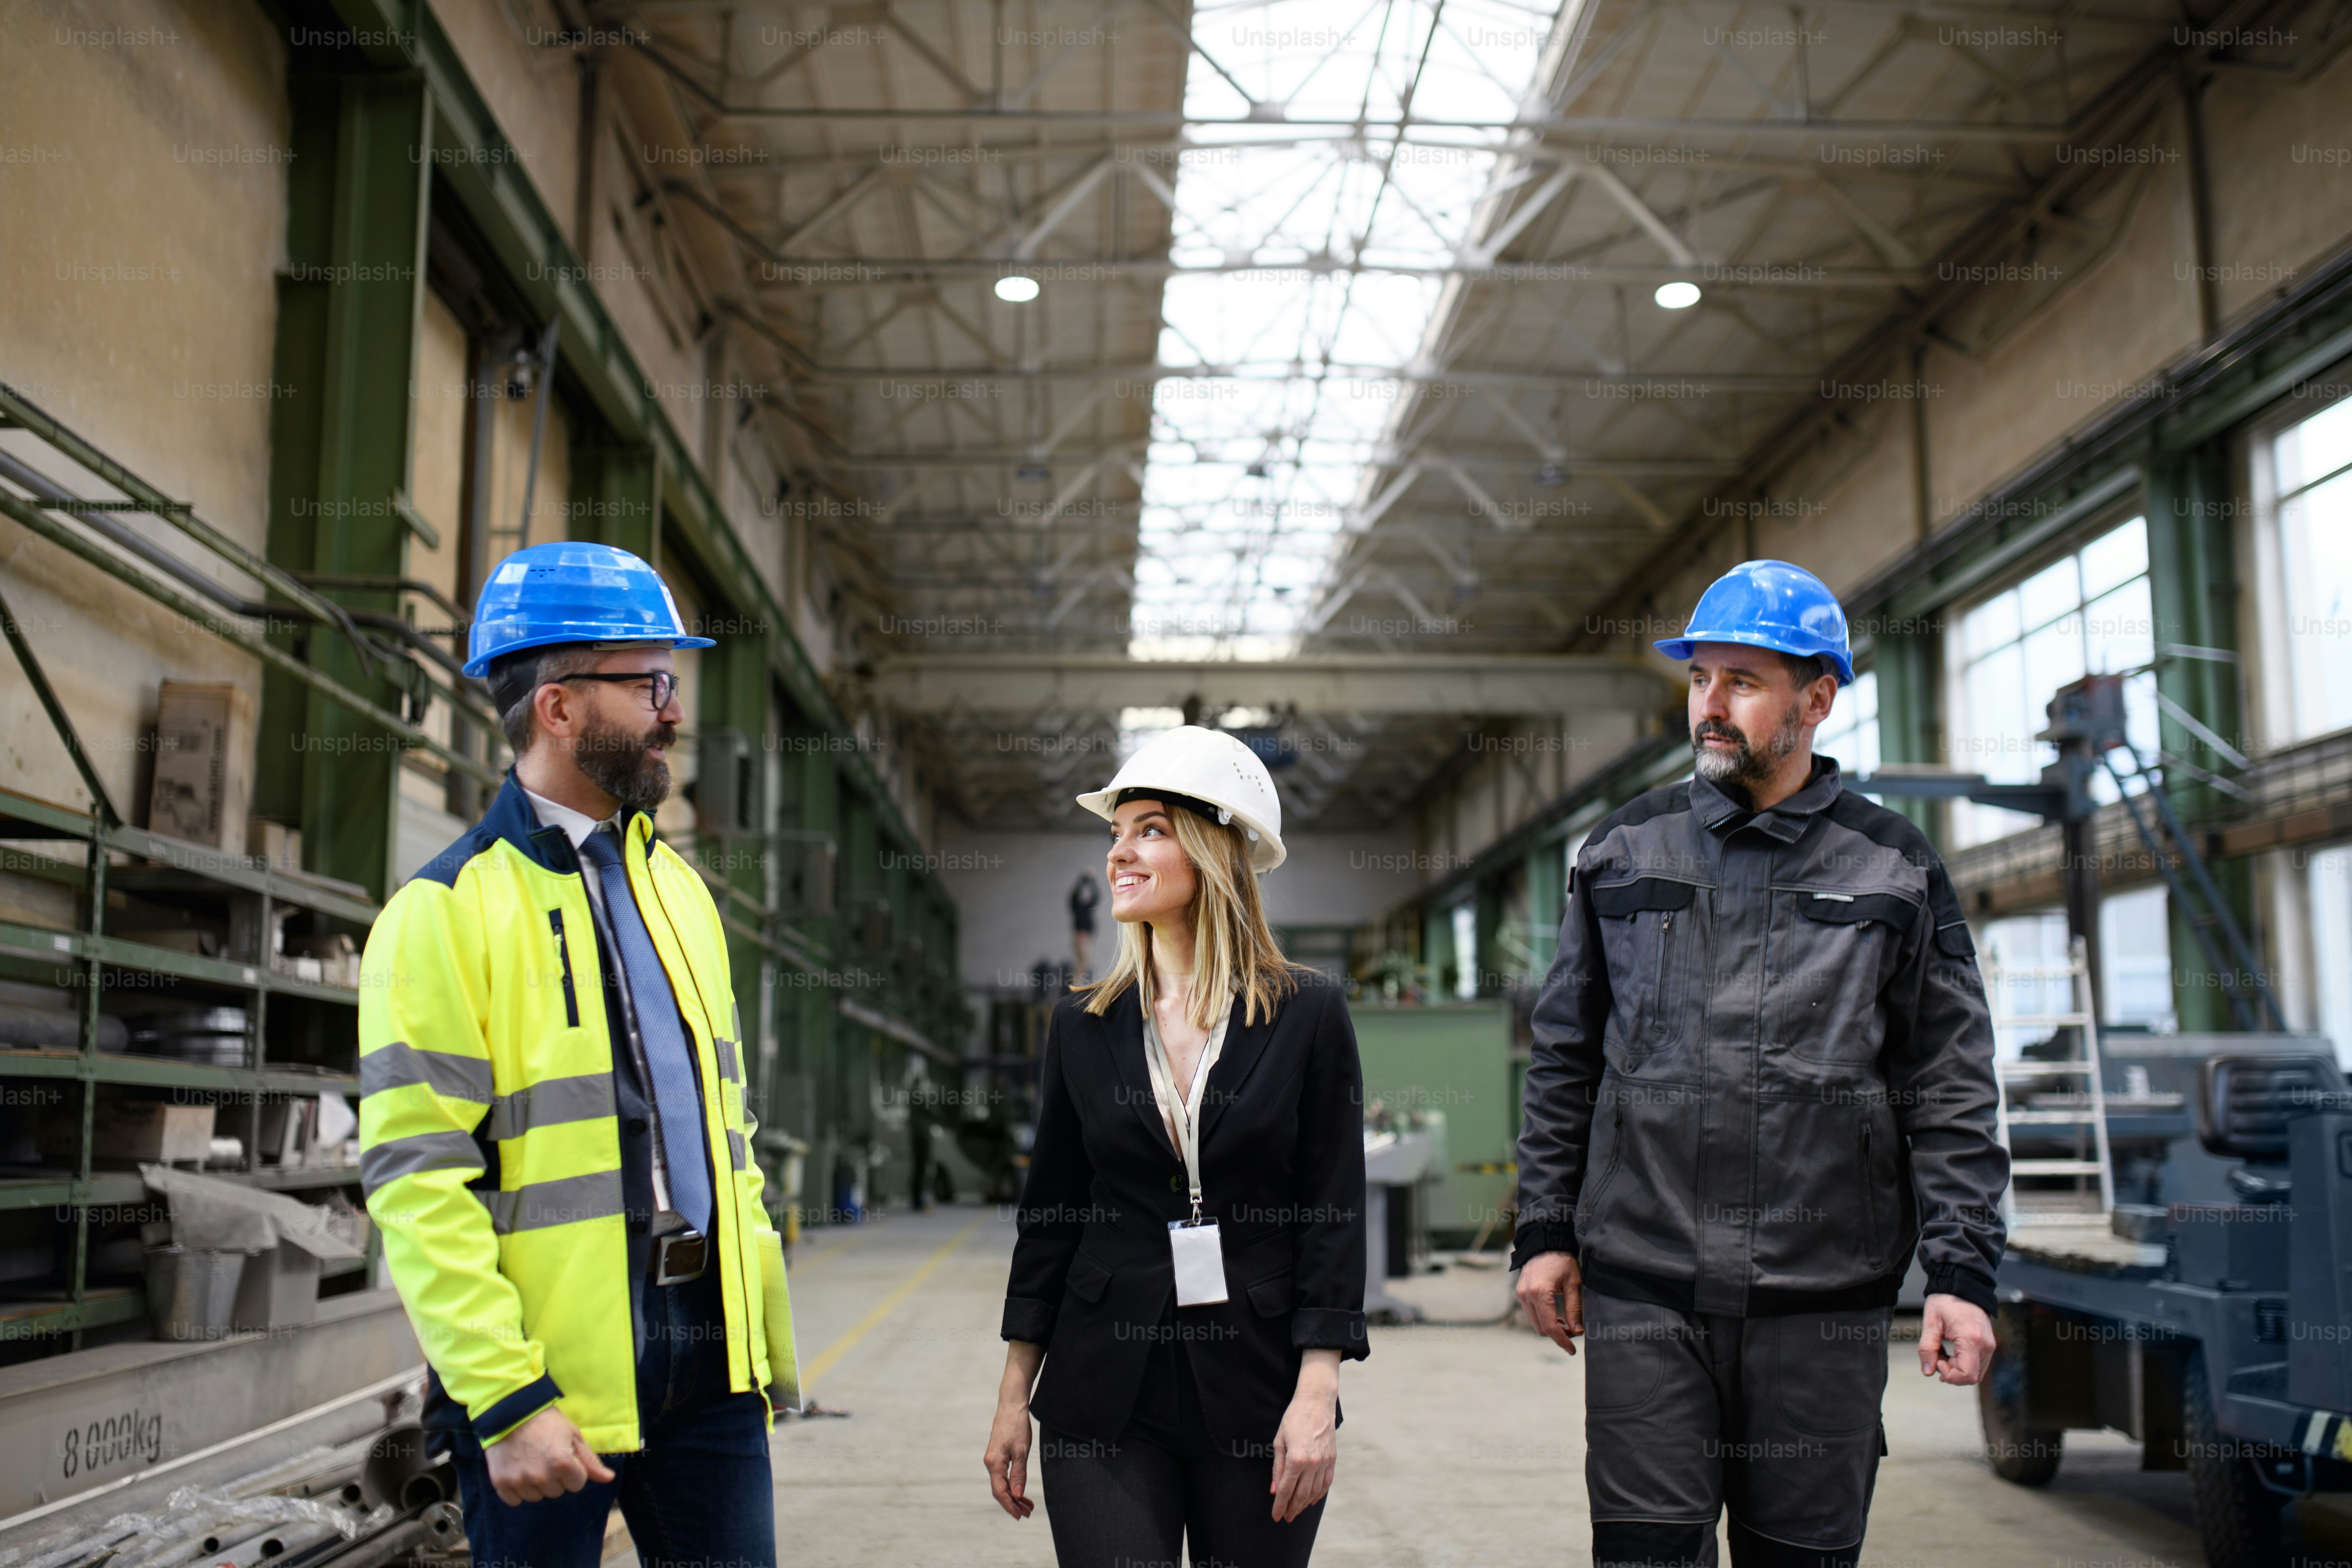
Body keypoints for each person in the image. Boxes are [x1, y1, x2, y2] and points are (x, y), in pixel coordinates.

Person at [1513, 559, 2008, 1568]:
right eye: (1700, 678)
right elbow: (1564, 1059)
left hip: (1820, 1298)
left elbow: (1948, 1086)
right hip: (1644, 1289)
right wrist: (1543, 1229)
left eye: (1740, 681)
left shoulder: (1893, 867)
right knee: (1645, 1551)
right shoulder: (1620, 852)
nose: (1710, 704)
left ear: (1815, 699)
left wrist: (1962, 1271)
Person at [359, 541, 797, 1568]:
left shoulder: (683, 895)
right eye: (650, 683)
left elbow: (729, 1130)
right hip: (545, 1375)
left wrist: (758, 1332)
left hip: (710, 1357)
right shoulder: (442, 915)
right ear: (558, 707)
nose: (673, 711)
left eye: (670, 682)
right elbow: (420, 1183)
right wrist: (506, 1400)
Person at [984, 726, 1369, 1568]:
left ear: (1214, 850)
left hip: (1260, 1387)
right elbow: (1049, 1218)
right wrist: (1016, 1393)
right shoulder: (1083, 1024)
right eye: (1116, 832)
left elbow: (1332, 1212)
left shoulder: (1307, 1013)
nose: (1120, 853)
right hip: (1101, 1391)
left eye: (1149, 829)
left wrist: (1318, 1388)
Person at [1068, 871, 1101, 982]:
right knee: (1084, 963)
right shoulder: (1077, 908)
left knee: (1083, 964)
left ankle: (1078, 985)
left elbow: (1096, 897)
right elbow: (1074, 895)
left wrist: (1091, 881)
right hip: (1082, 938)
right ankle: (1077, 986)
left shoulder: (1087, 908)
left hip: (1086, 938)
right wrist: (1083, 879)